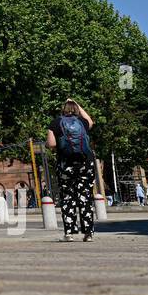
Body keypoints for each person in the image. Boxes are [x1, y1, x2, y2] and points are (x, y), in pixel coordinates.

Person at [46, 98, 97, 242]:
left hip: (65, 164)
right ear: (76, 110)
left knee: (68, 197)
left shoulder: (56, 123)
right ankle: (88, 233)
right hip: (85, 164)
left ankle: (69, 233)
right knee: (85, 197)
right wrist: (77, 104)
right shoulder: (83, 122)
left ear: (63, 110)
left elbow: (51, 144)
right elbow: (90, 120)